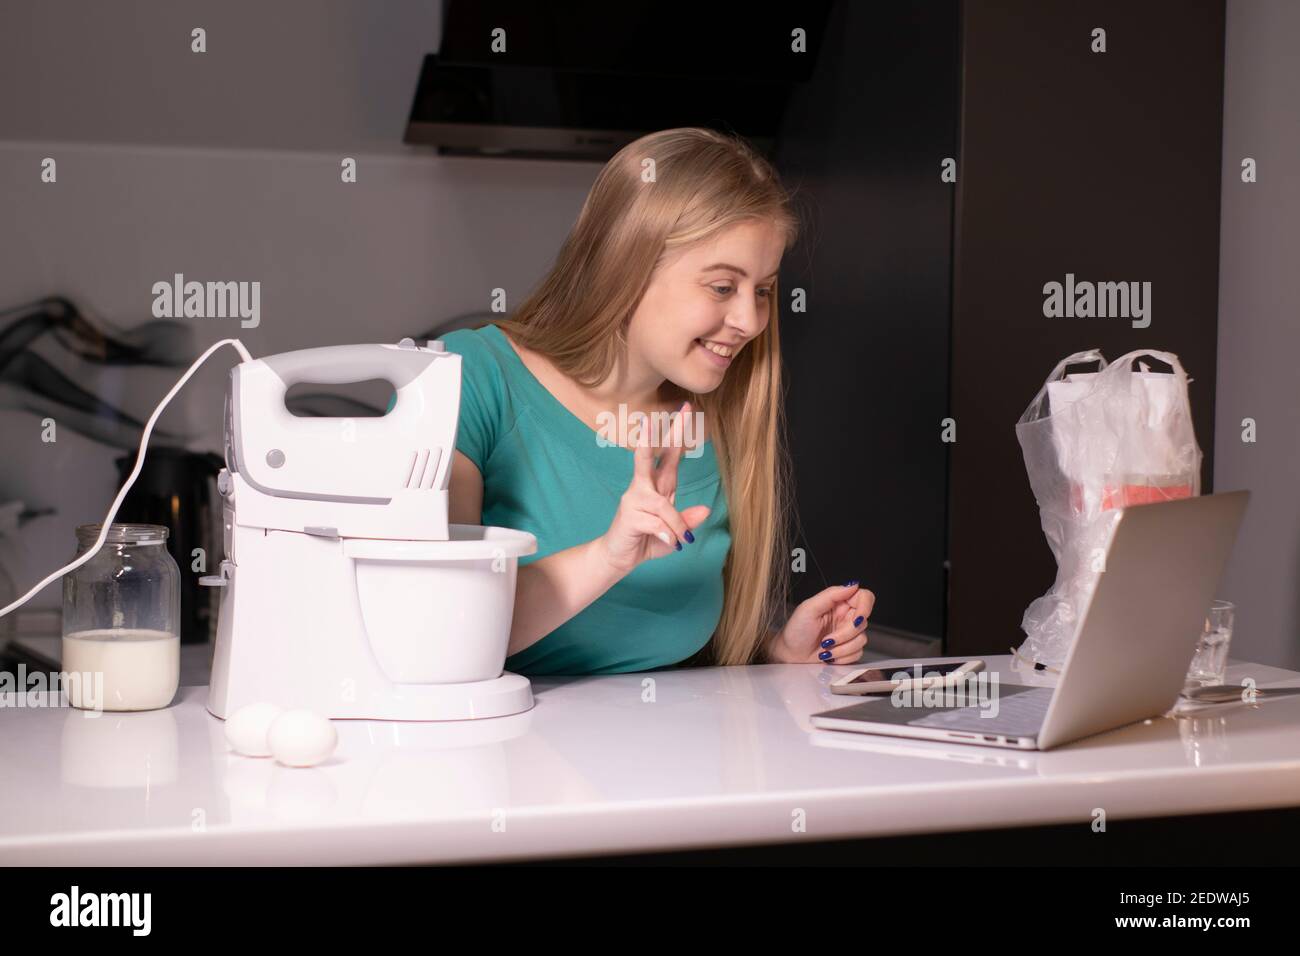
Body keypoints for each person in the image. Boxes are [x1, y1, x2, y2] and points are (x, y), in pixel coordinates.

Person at [425, 127, 873, 674]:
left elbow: (672, 659)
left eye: (762, 290)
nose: (751, 321)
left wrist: (775, 654)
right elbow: (440, 630)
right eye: (722, 287)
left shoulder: (718, 415)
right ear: (627, 265)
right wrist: (608, 555)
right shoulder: (474, 377)